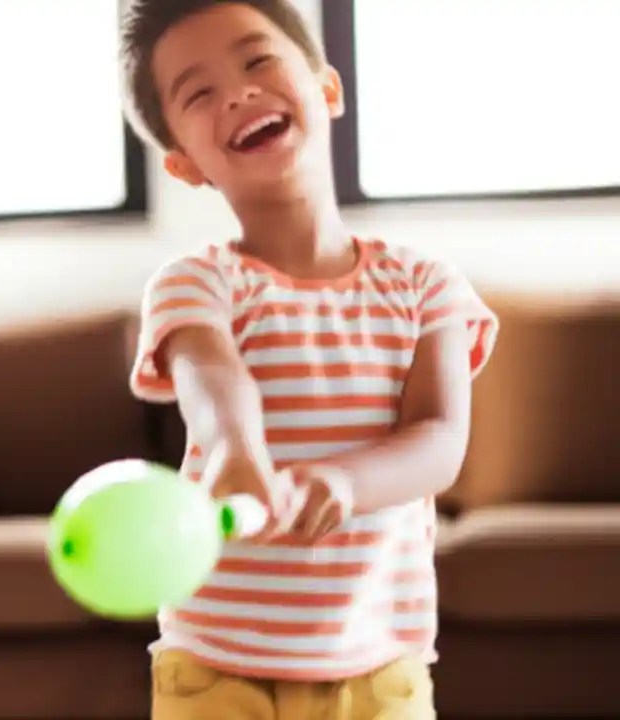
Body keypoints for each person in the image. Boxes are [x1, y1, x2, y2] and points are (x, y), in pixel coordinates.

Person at [119, 1, 498, 718]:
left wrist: (343, 481)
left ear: (326, 88)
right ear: (183, 163)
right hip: (214, 659)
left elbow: (440, 440)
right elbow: (211, 373)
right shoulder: (194, 282)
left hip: (381, 666)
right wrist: (236, 450)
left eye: (257, 60)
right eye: (199, 93)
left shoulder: (428, 284)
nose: (236, 92)